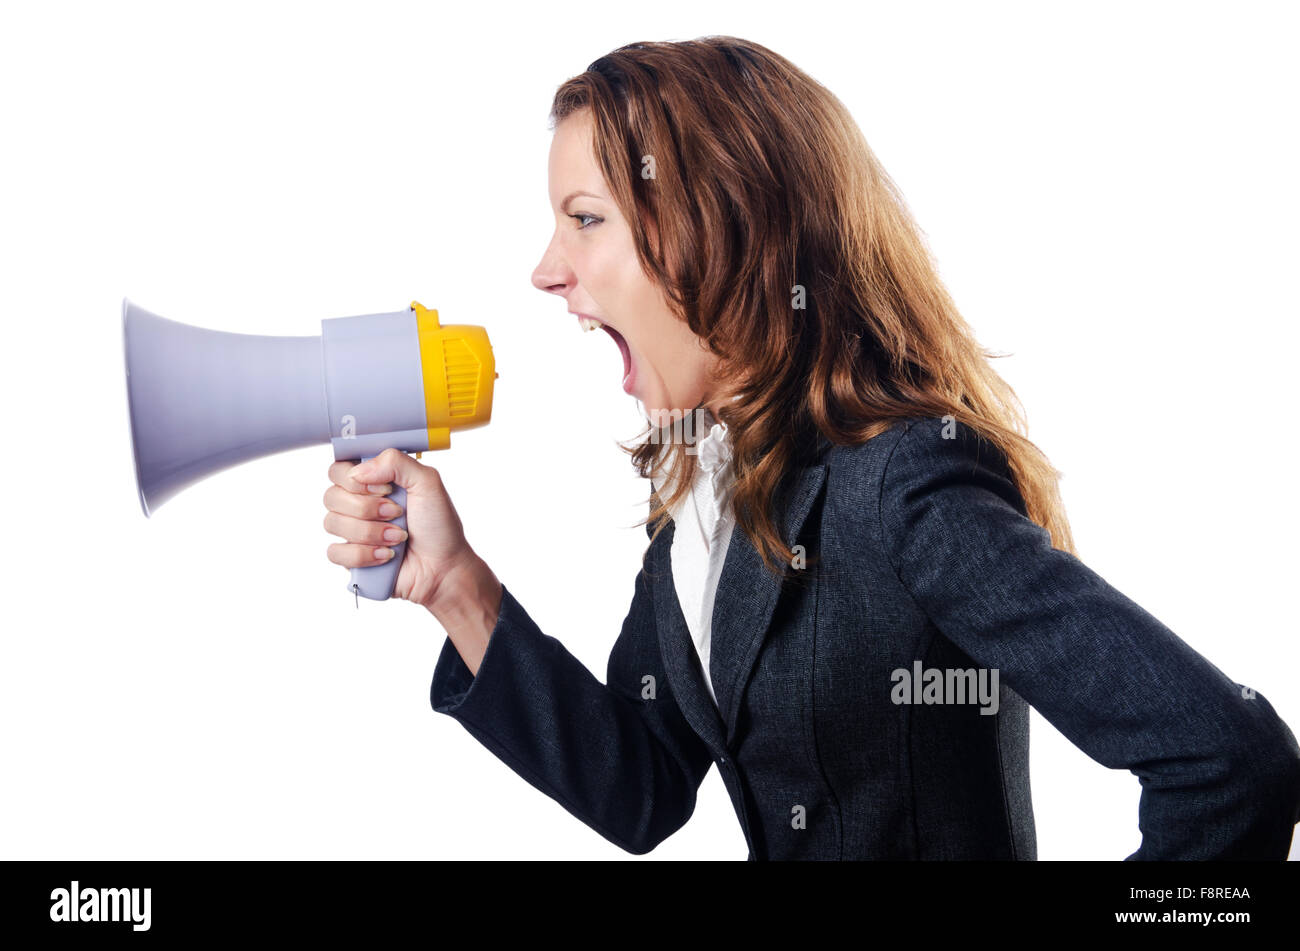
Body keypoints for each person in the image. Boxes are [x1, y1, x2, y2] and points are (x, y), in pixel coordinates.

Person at [321, 36, 1300, 860]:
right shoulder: (706, 490)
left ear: (724, 226)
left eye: (585, 220)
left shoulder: (905, 483)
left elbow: (1231, 762)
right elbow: (642, 787)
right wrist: (457, 587)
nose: (546, 270)